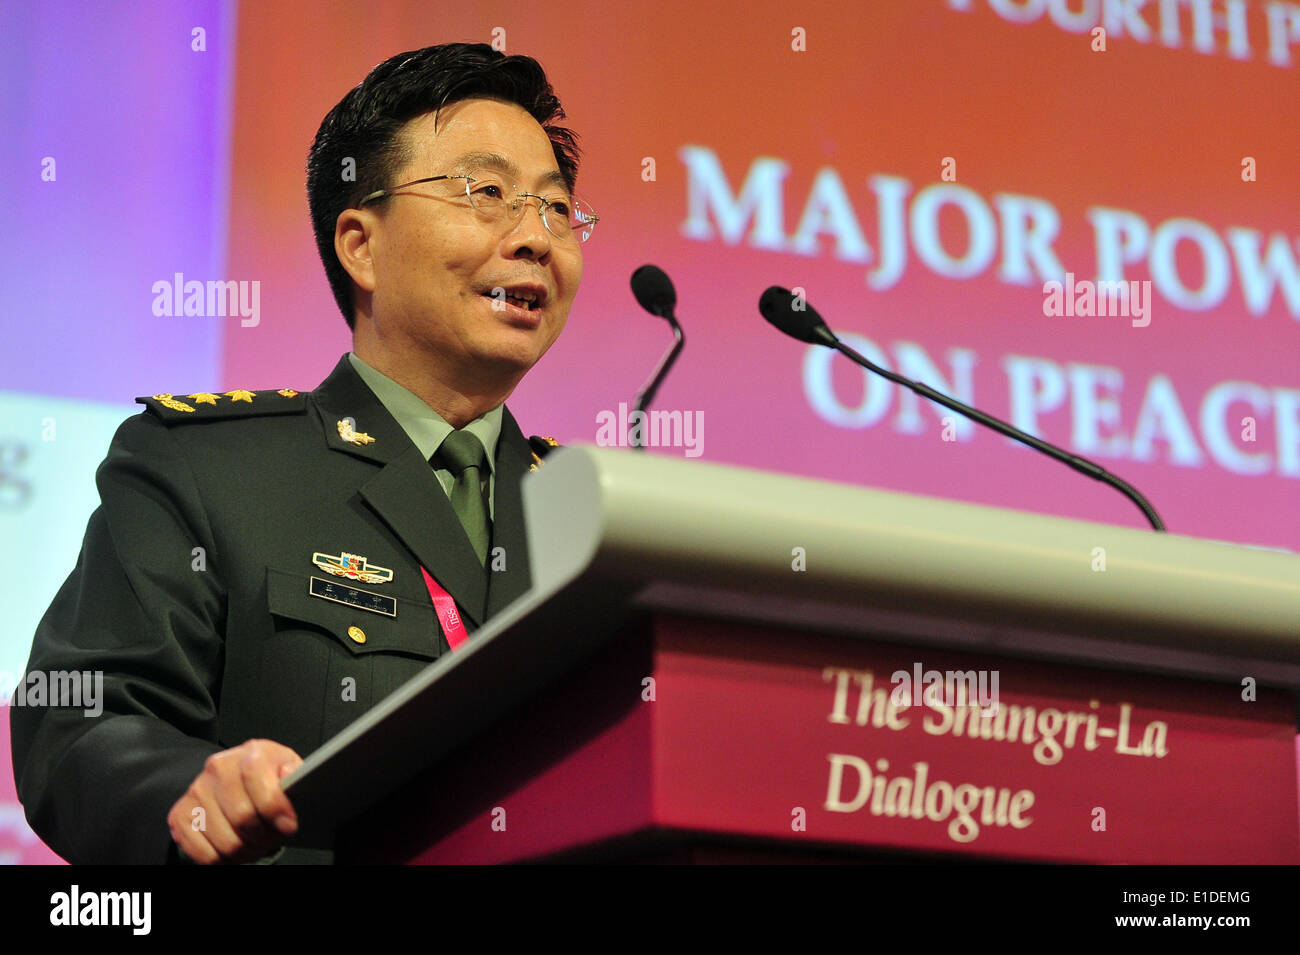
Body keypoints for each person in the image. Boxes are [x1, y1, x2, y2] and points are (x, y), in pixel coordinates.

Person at [10, 42, 596, 865]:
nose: (536, 237)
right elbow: (79, 718)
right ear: (360, 244)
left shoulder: (591, 513)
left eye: (557, 208)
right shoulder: (211, 469)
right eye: (487, 192)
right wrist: (189, 789)